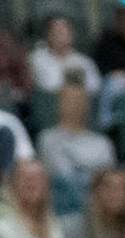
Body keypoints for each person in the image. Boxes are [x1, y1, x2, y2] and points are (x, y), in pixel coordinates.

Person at [37, 81, 117, 213]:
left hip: (96, 209)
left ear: (88, 105)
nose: (76, 103)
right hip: (61, 209)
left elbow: (107, 181)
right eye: (70, 99)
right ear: (59, 104)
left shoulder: (102, 143)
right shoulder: (47, 139)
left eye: (80, 99)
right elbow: (53, 177)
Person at [28, 14, 100, 95]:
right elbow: (47, 84)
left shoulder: (83, 61)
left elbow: (94, 86)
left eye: (64, 30)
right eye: (56, 30)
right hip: (49, 100)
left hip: (81, 99)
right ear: (48, 34)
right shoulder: (37, 57)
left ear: (72, 34)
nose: (60, 34)